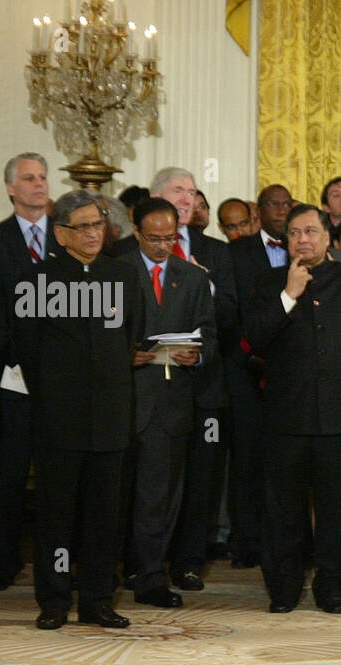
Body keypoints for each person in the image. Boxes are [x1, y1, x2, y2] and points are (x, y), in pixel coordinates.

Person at [13, 190, 142, 630]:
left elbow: (129, 339)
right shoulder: (38, 280)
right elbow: (28, 351)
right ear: (62, 233)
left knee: (105, 515)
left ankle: (98, 599)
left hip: (110, 416)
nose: (93, 233)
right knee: (57, 516)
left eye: (98, 223)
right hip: (58, 418)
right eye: (83, 226)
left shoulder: (123, 276)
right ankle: (53, 599)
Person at [243, 204, 341, 614]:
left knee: (336, 507)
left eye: (311, 232)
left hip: (340, 414)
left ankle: (331, 586)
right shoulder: (269, 282)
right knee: (283, 508)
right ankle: (283, 587)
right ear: (286, 242)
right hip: (286, 415)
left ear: (328, 237)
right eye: (295, 233)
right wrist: (289, 295)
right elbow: (253, 340)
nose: (303, 239)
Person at [121, 198, 217, 608]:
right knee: (115, 495)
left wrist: (199, 354)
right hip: (122, 400)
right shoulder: (115, 271)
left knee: (159, 497)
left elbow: (210, 333)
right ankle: (106, 569)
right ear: (136, 232)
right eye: (154, 239)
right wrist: (125, 354)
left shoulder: (192, 278)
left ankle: (150, 576)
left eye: (170, 238)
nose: (162, 246)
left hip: (169, 401)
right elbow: (96, 335)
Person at [0, 151, 60, 594]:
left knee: (58, 478)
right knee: (7, 476)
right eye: (29, 178)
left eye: (43, 177)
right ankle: (1, 561)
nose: (39, 185)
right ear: (10, 188)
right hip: (11, 378)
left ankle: (59, 566)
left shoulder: (65, 236)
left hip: (61, 378)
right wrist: (18, 359)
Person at [226, 183, 293, 569]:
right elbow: (231, 308)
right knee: (248, 458)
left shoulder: (306, 251)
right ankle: (246, 542)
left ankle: (285, 543)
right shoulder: (236, 252)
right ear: (258, 210)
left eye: (287, 205)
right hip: (246, 369)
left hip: (293, 373)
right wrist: (249, 354)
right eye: (273, 205)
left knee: (286, 461)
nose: (280, 211)